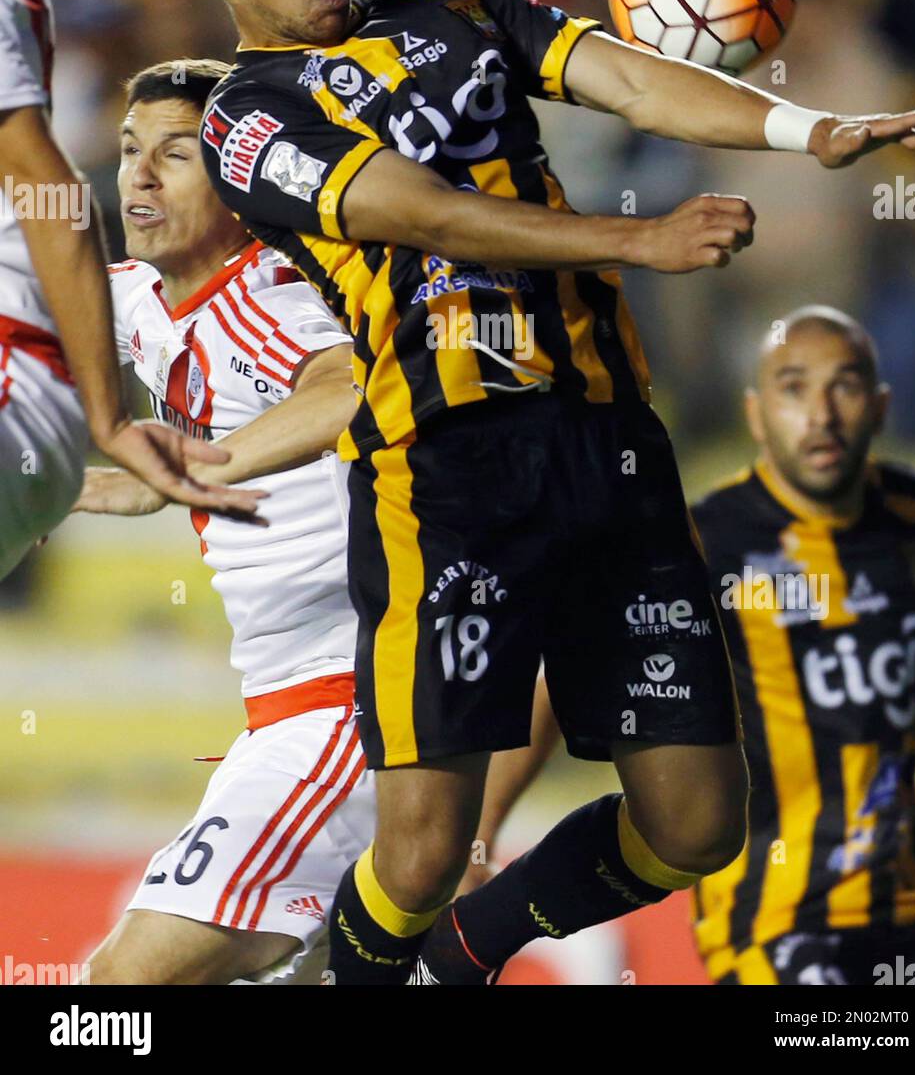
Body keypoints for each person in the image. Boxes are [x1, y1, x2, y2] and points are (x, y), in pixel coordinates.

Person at [155, 0, 915, 985]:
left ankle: (463, 953)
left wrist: (810, 129)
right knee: (420, 853)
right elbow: (414, 211)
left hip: (607, 446)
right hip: (446, 475)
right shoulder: (244, 120)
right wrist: (632, 242)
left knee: (694, 823)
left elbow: (629, 81)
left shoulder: (452, 0)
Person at [78, 58, 557, 984]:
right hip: (295, 707)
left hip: (348, 707)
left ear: (236, 178)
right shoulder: (142, 299)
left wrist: (191, 469)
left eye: (176, 155)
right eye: (131, 150)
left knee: (117, 994)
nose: (138, 175)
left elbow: (346, 388)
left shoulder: (270, 296)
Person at [691, 307, 915, 985]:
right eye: (792, 387)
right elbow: (566, 679)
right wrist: (484, 830)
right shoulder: (706, 541)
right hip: (774, 926)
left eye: (842, 387)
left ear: (878, 406)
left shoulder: (910, 514)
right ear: (755, 415)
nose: (820, 414)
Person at [0, 0, 258, 582]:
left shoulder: (252, 98)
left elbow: (50, 191)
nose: (164, 21)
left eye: (178, 6)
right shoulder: (90, 80)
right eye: (151, 6)